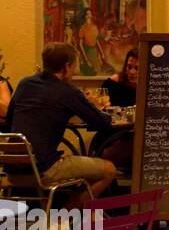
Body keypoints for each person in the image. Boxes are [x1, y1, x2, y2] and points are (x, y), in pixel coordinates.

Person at [1, 42, 117, 201]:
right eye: (74, 66)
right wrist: (95, 106)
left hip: (12, 171)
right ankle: (66, 218)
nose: (74, 70)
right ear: (67, 66)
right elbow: (103, 123)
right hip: (43, 169)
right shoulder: (67, 91)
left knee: (81, 167)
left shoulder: (25, 84)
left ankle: (73, 214)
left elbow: (9, 123)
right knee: (109, 170)